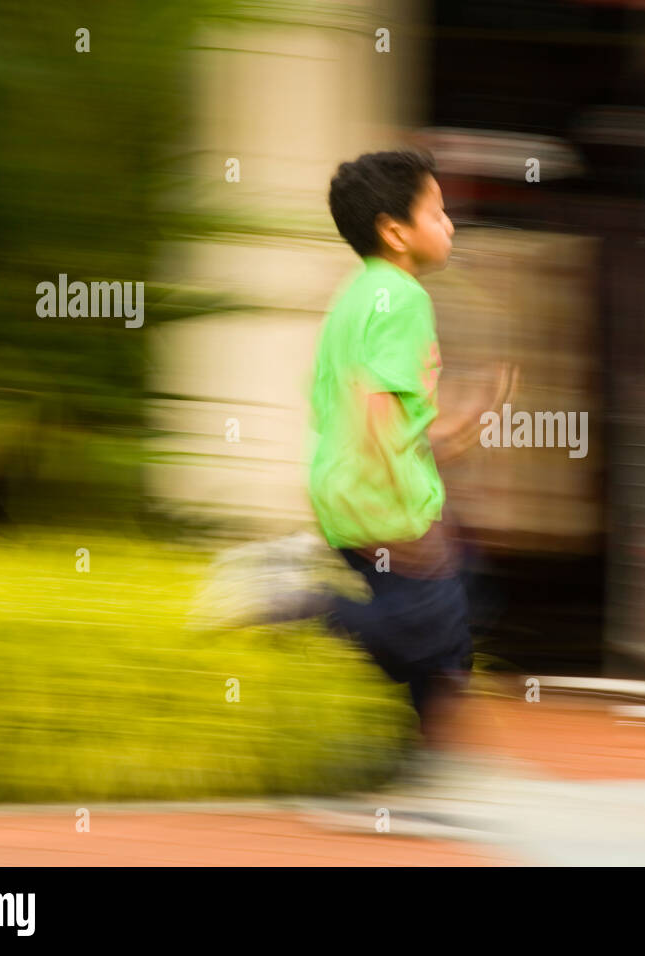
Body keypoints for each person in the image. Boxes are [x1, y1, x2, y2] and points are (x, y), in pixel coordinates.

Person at [268, 149, 512, 746]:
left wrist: (460, 426)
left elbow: (370, 408)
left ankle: (414, 766)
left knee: (446, 635)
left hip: (347, 493)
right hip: (386, 504)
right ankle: (297, 599)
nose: (449, 224)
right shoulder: (402, 299)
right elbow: (376, 404)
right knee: (429, 631)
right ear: (395, 231)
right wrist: (410, 532)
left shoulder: (358, 294)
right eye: (438, 211)